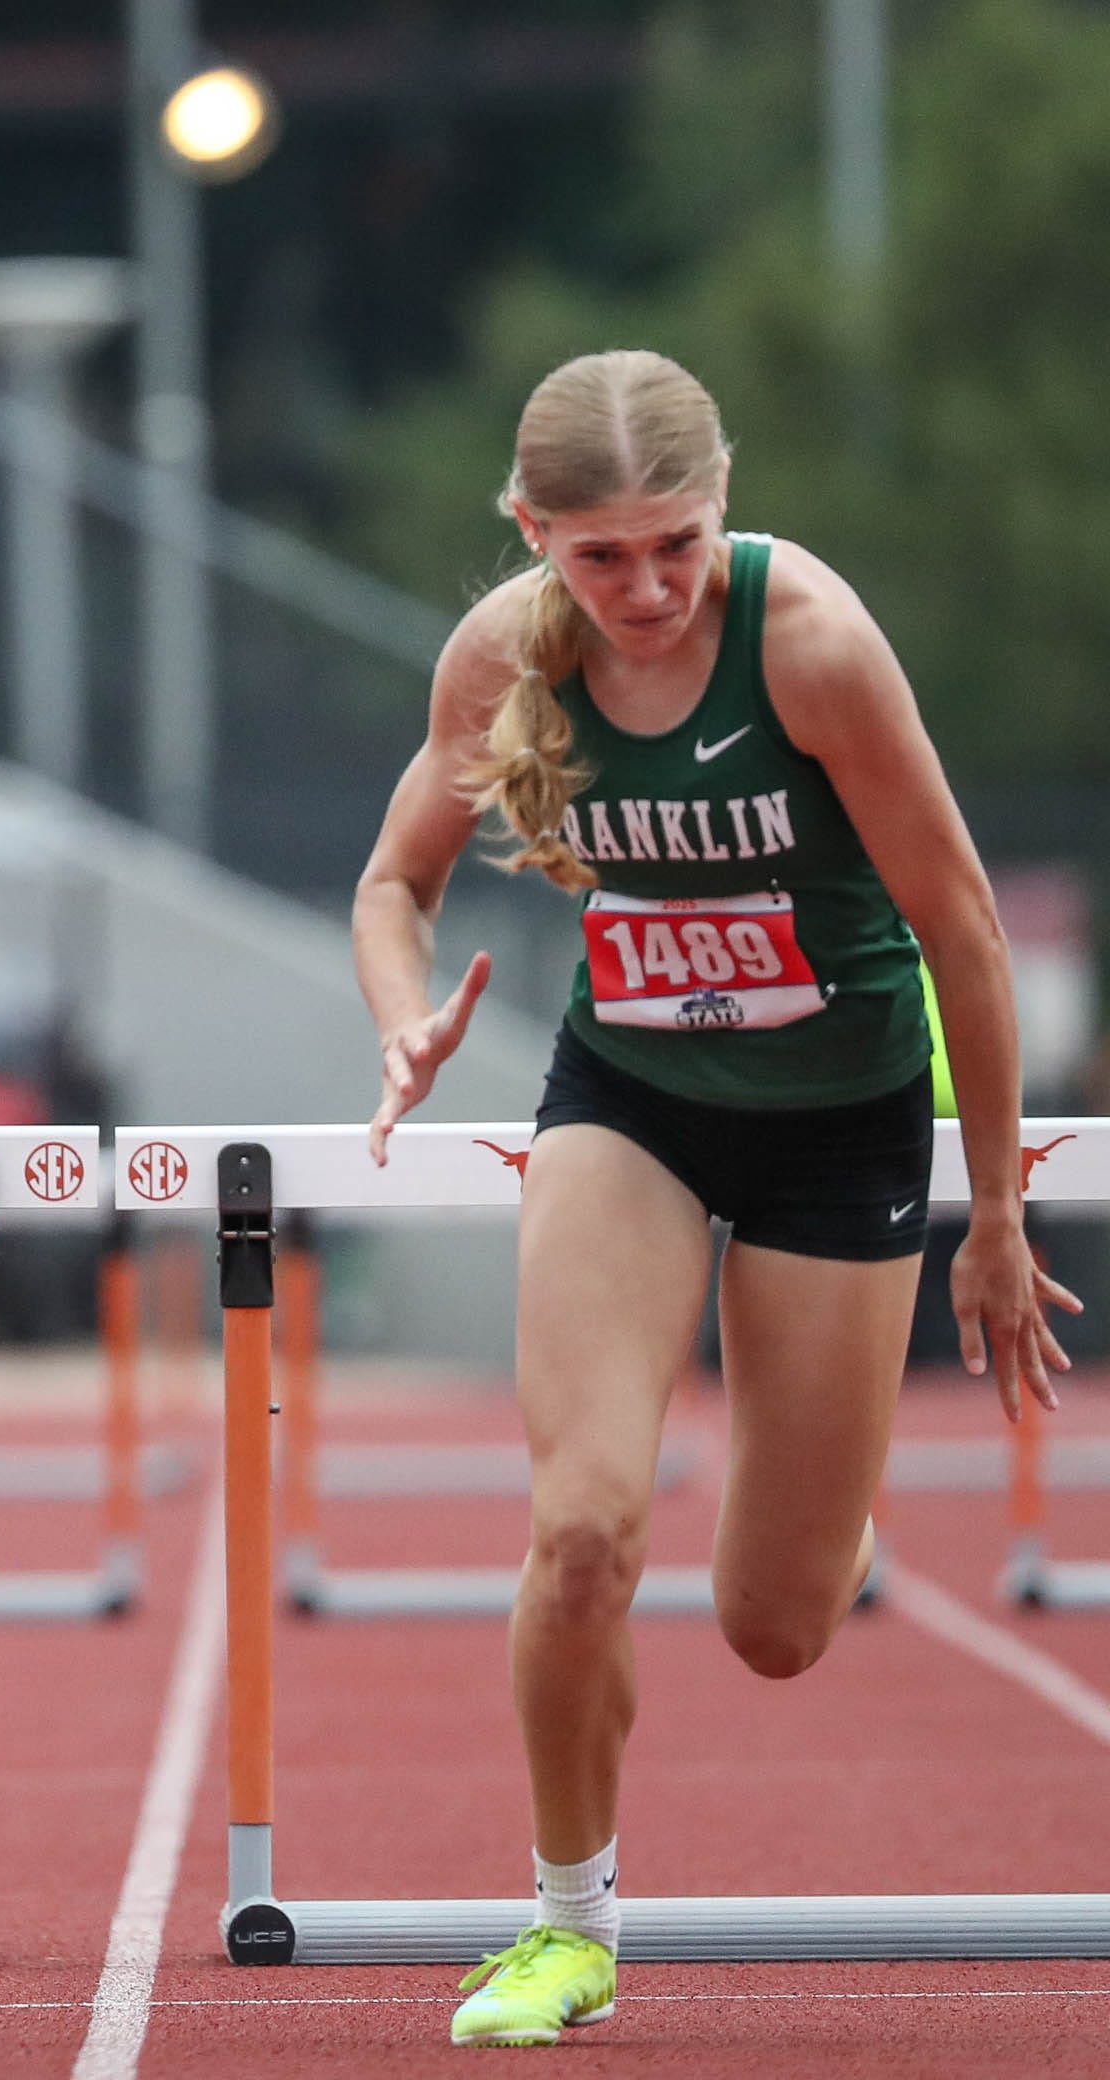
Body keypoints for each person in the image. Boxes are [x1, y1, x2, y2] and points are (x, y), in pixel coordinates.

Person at [353, 349, 1079, 2047]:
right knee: (585, 1527)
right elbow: (396, 879)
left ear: (726, 504)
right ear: (533, 531)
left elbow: (962, 926)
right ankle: (568, 1923)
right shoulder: (502, 656)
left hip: (842, 1126)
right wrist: (404, 1018)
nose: (649, 591)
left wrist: (995, 1216)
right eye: (600, 556)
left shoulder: (807, 643)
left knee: (776, 1627)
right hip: (633, 1109)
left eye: (676, 542)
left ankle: (823, 1517)